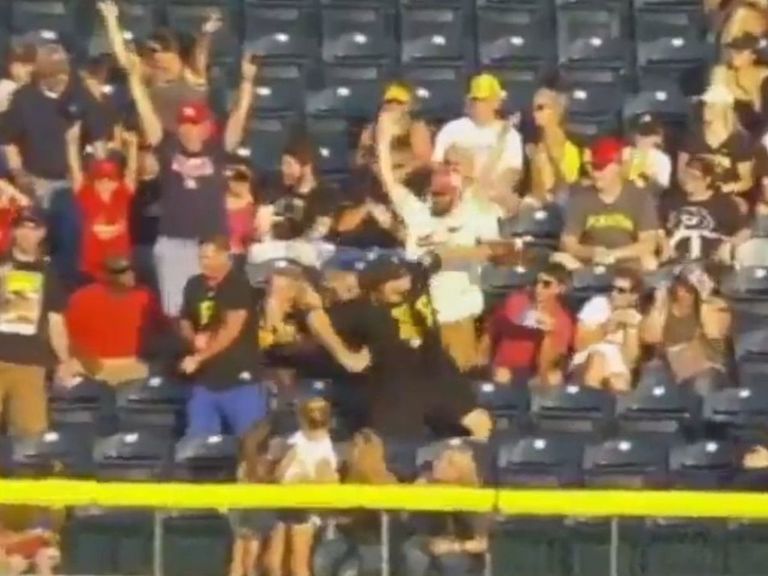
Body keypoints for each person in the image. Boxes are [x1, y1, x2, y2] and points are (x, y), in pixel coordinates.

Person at [305, 252, 491, 441]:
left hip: (437, 371)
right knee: (397, 447)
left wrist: (480, 252)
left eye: (403, 274)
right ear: (377, 288)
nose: (404, 282)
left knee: (480, 425)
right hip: (397, 387)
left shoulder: (415, 276)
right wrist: (345, 356)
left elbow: (436, 257)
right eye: (394, 279)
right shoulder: (360, 309)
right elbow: (315, 319)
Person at [126, 49, 256, 316]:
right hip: (174, 241)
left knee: (214, 310)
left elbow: (238, 118)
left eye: (194, 123)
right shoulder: (167, 146)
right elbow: (146, 112)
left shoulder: (218, 149)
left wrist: (247, 83)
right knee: (175, 311)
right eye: (183, 123)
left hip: (212, 243)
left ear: (206, 127)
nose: (187, 129)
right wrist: (135, 80)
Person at [377, 110, 504, 372]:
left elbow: (500, 251)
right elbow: (389, 182)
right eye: (446, 164)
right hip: (417, 318)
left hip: (456, 318)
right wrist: (383, 139)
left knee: (456, 381)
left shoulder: (478, 212)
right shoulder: (418, 211)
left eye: (456, 166)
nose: (449, 171)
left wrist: (448, 255)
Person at [0, 208, 82, 435]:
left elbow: (56, 322)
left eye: (33, 228)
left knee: (31, 433)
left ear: (43, 233)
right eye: (22, 228)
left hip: (31, 363)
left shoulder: (48, 274)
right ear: (13, 231)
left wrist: (64, 360)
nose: (27, 234)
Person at [178, 235, 266, 437]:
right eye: (201, 257)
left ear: (225, 256)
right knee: (199, 440)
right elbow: (184, 319)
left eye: (208, 257)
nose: (203, 263)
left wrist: (199, 357)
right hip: (205, 381)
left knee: (249, 440)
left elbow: (230, 330)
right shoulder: (194, 284)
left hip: (239, 380)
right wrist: (193, 338)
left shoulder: (238, 285)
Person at [558, 136, 659, 271]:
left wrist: (613, 255)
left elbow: (648, 243)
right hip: (590, 264)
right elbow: (568, 243)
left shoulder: (640, 197)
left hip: (628, 264)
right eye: (593, 167)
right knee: (561, 259)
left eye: (601, 167)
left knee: (649, 262)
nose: (595, 173)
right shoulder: (580, 197)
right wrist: (593, 253)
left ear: (617, 166)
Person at [264, 397, 339, 576]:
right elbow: (279, 473)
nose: (315, 415)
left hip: (305, 508)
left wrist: (303, 480)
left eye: (319, 411)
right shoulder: (295, 439)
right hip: (285, 503)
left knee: (298, 563)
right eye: (311, 411)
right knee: (273, 561)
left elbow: (328, 484)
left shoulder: (325, 449)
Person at [432, 73, 523, 215]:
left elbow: (511, 175)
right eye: (475, 99)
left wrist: (477, 177)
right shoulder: (451, 129)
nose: (478, 104)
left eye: (484, 100)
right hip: (455, 201)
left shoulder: (509, 135)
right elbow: (436, 167)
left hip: (491, 203)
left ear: (497, 102)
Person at [66, 256, 165, 386]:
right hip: (95, 368)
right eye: (122, 272)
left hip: (135, 367)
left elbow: (162, 330)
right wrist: (90, 364)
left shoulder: (145, 297)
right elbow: (72, 337)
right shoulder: (82, 299)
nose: (130, 275)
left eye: (131, 270)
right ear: (106, 276)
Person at [313, 428, 398, 576]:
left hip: (374, 542)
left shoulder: (385, 478)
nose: (352, 450)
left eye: (357, 446)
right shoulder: (344, 473)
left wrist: (353, 518)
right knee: (322, 557)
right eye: (352, 445)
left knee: (349, 571)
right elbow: (333, 506)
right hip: (346, 538)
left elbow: (393, 513)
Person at [641, 265, 731, 393]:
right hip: (670, 362)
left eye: (689, 289)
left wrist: (705, 300)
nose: (683, 292)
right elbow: (650, 337)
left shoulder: (714, 306)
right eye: (680, 286)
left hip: (705, 362)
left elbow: (714, 333)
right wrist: (657, 305)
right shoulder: (664, 303)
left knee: (702, 382)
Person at [402, 442, 489, 576]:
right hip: (429, 542)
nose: (435, 464)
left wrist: (453, 547)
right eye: (437, 460)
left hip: (461, 548)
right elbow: (406, 517)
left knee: (449, 560)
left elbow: (483, 543)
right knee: (414, 551)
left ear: (458, 470)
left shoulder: (471, 497)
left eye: (443, 461)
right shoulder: (426, 486)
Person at [65, 121, 137, 281]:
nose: (105, 183)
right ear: (94, 181)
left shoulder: (122, 195)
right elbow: (74, 169)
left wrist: (132, 147)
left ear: (117, 181)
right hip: (92, 264)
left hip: (119, 264)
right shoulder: (87, 194)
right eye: (100, 179)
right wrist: (72, 143)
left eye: (110, 179)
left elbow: (132, 172)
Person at [486, 263, 574, 387]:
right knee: (503, 375)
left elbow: (549, 362)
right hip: (504, 367)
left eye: (546, 284)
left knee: (553, 378)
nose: (538, 288)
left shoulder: (563, 320)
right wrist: (537, 318)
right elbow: (515, 316)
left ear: (560, 289)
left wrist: (548, 335)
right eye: (536, 282)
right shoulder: (519, 299)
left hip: (534, 370)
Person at [660, 156, 749, 264]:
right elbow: (658, 230)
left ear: (707, 179)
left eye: (694, 177)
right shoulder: (671, 201)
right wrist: (663, 242)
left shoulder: (723, 204)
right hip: (675, 262)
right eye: (686, 175)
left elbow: (744, 230)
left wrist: (730, 245)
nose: (687, 180)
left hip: (710, 263)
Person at [678, 83, 754, 209]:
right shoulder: (694, 135)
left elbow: (746, 181)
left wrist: (723, 190)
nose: (706, 109)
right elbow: (680, 172)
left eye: (711, 106)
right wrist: (696, 189)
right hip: (695, 194)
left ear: (724, 109)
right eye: (705, 105)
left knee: (740, 206)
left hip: (725, 195)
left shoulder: (740, 139)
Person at [571, 268, 644, 393]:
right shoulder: (597, 304)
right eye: (612, 288)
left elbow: (630, 361)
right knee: (598, 360)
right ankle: (589, 401)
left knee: (619, 382)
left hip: (617, 365)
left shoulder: (634, 317)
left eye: (621, 291)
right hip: (587, 358)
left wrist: (631, 329)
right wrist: (606, 327)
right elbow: (579, 344)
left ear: (634, 296)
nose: (614, 293)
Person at [355, 81, 432, 185]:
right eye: (389, 102)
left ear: (409, 106)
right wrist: (375, 168)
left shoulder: (416, 128)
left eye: (399, 102)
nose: (393, 105)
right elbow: (361, 159)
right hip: (377, 180)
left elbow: (424, 161)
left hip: (407, 181)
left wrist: (401, 172)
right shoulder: (370, 130)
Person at [230, 417, 278, 576]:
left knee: (239, 555)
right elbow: (261, 481)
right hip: (254, 512)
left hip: (241, 510)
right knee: (250, 556)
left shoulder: (244, 460)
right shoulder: (262, 462)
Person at [525, 87, 582, 207]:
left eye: (540, 108)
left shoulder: (570, 147)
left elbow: (569, 185)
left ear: (555, 110)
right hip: (541, 199)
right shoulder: (535, 144)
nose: (534, 113)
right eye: (533, 109)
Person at [717, 32, 768, 137]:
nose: (733, 55)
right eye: (732, 51)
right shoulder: (729, 75)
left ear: (753, 55)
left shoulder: (760, 74)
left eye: (739, 52)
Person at [622, 113, 672, 192]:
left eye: (652, 134)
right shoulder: (624, 153)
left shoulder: (662, 159)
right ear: (634, 135)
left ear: (659, 137)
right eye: (643, 134)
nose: (646, 139)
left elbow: (658, 190)